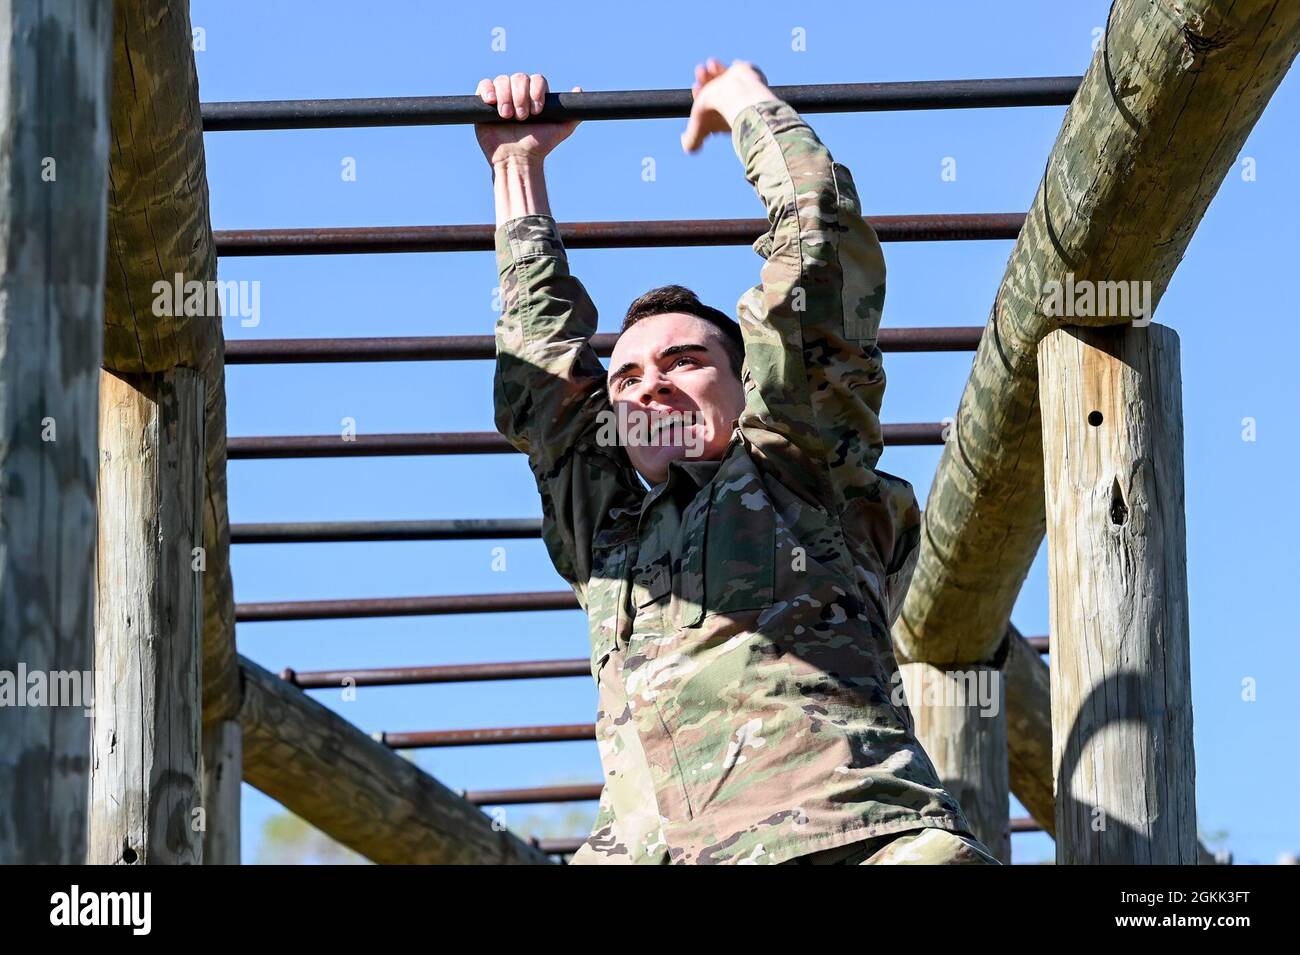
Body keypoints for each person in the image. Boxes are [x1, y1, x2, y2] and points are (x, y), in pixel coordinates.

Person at [475, 59, 999, 865]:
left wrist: (751, 108)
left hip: (838, 834)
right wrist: (517, 168)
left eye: (683, 362)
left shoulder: (795, 464)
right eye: (628, 376)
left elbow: (816, 254)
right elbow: (538, 378)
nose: (651, 385)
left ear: (745, 380)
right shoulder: (607, 534)